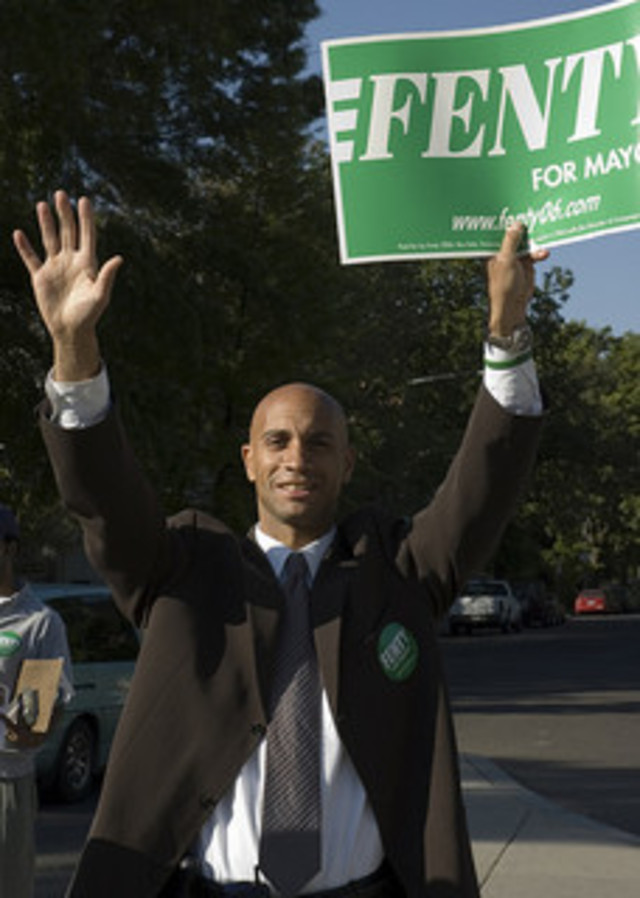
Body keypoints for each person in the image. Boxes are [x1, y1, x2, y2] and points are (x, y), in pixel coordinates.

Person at [13, 191, 548, 898]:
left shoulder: (399, 569)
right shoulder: (181, 570)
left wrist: (506, 332)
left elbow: (484, 489)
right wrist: (73, 349)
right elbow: (103, 497)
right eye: (278, 441)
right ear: (248, 461)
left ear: (347, 464)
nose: (297, 457)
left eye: (320, 443)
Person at [0, 503, 74, 898]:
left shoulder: (39, 623)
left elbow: (35, 729)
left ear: (9, 548)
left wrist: (20, 726)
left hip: (6, 781)